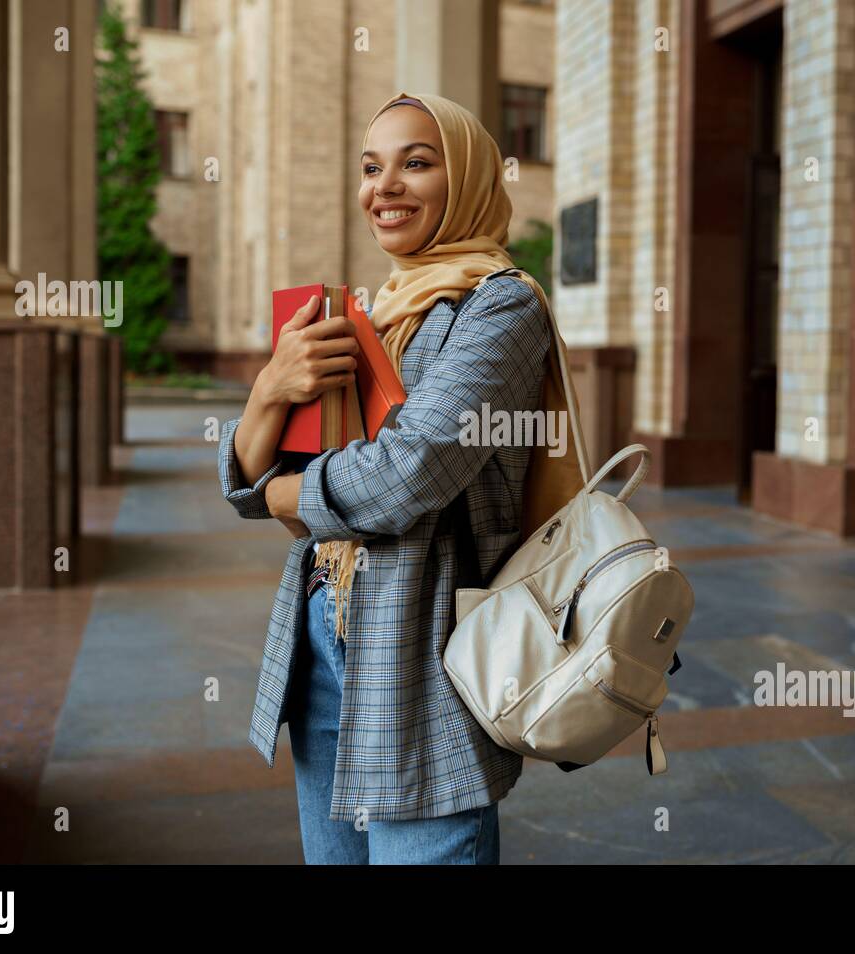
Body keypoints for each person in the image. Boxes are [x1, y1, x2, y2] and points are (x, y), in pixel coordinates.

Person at [217, 91, 584, 864]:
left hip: (423, 655)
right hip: (324, 636)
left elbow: (406, 474)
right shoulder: (370, 312)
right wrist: (268, 389)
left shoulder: (501, 308)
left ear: (470, 180)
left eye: (416, 163)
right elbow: (265, 473)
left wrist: (285, 496)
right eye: (371, 167)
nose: (384, 187)